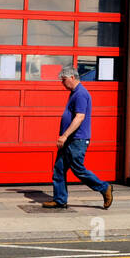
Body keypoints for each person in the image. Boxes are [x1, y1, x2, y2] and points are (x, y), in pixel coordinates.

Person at [42, 66, 113, 210]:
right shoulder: (74, 93)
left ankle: (104, 187)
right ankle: (60, 199)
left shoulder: (80, 94)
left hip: (77, 139)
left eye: (64, 80)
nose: (62, 83)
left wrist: (65, 135)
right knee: (59, 169)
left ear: (72, 78)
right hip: (70, 140)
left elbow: (80, 117)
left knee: (78, 169)